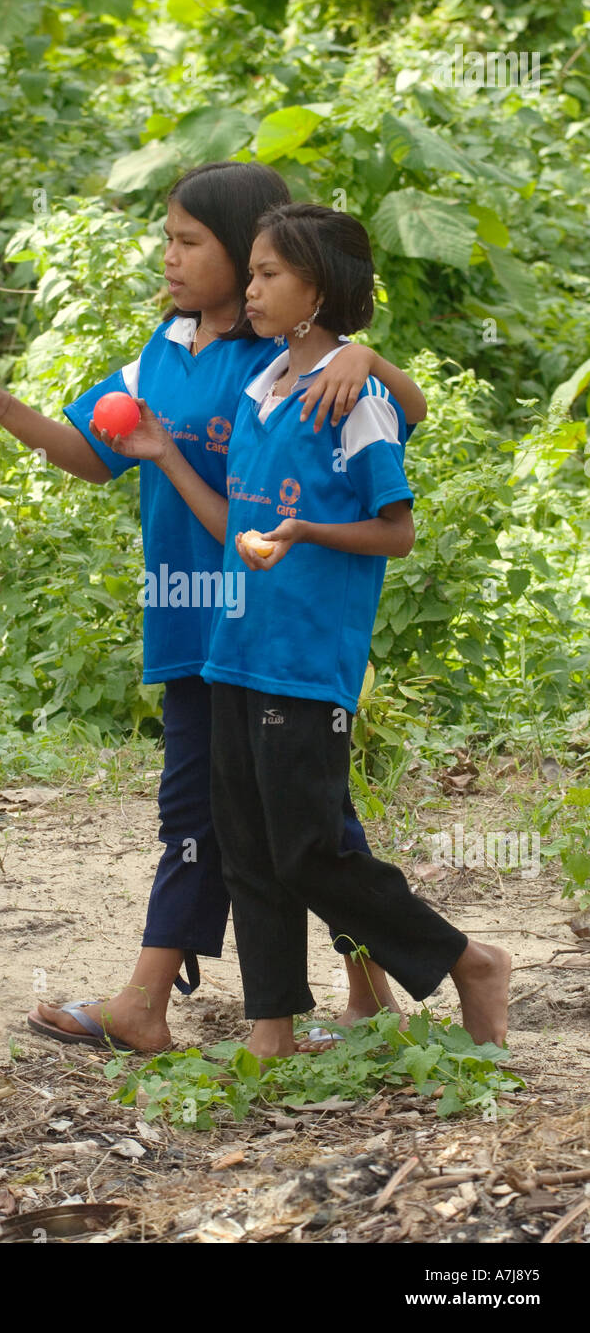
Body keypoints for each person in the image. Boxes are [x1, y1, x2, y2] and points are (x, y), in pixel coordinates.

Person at [0, 163, 428, 1051]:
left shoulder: (279, 353)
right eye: (168, 239)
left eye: (189, 241)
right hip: (186, 613)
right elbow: (97, 452)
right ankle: (354, 995)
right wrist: (2, 407)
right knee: (257, 814)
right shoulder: (164, 351)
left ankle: (154, 999)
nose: (169, 258)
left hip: (259, 622)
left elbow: (398, 414)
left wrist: (363, 353)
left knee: (265, 813)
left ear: (255, 252)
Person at [114, 202, 511, 1055]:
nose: (249, 289)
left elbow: (396, 532)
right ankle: (271, 1033)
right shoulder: (263, 390)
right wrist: (166, 454)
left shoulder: (354, 395)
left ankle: (468, 960)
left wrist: (305, 533)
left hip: (303, 660)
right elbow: (233, 522)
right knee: (248, 852)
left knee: (305, 851)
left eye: (267, 275)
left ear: (317, 290)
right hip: (234, 649)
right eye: (250, 271)